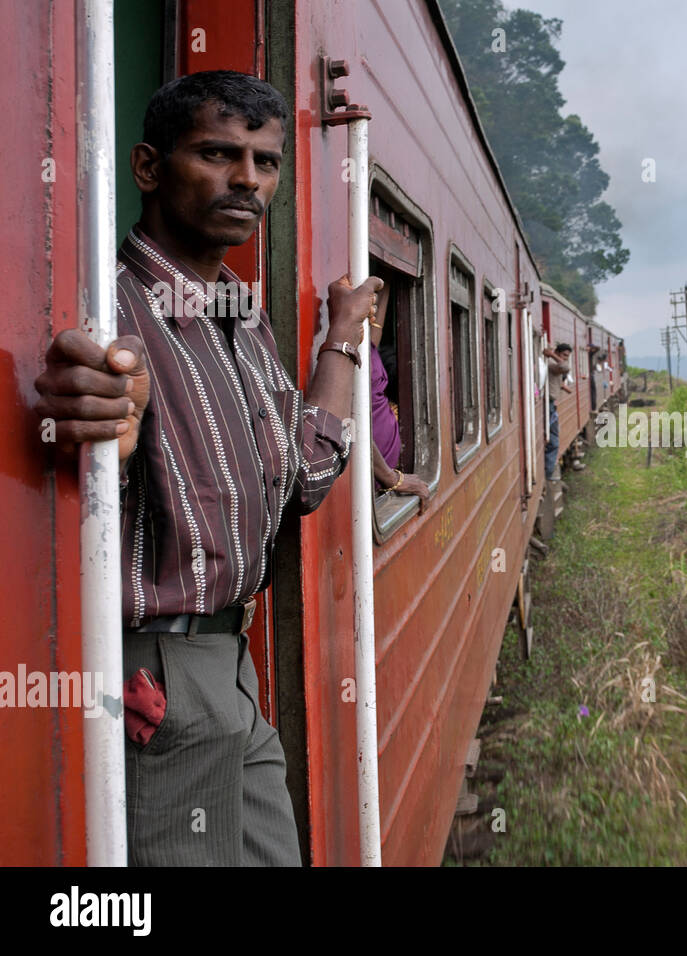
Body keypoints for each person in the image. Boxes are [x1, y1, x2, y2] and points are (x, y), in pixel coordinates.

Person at [33, 70, 382, 865]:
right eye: (219, 154)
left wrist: (341, 336)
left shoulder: (238, 312)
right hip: (152, 673)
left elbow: (304, 479)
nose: (247, 180)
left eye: (265, 161)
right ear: (149, 168)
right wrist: (87, 429)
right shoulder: (100, 310)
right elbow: (68, 443)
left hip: (231, 666)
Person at [367, 281, 430, 508]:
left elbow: (376, 329)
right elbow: (349, 426)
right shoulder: (345, 350)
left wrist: (387, 281)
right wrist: (393, 479)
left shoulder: (369, 348)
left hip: (380, 483)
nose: (371, 308)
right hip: (376, 482)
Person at [542, 342, 572, 480]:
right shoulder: (551, 365)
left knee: (554, 438)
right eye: (564, 355)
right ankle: (548, 473)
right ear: (557, 352)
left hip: (551, 405)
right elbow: (565, 367)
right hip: (548, 405)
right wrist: (552, 354)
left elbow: (561, 373)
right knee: (554, 442)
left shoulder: (553, 367)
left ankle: (549, 469)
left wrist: (564, 388)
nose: (565, 358)